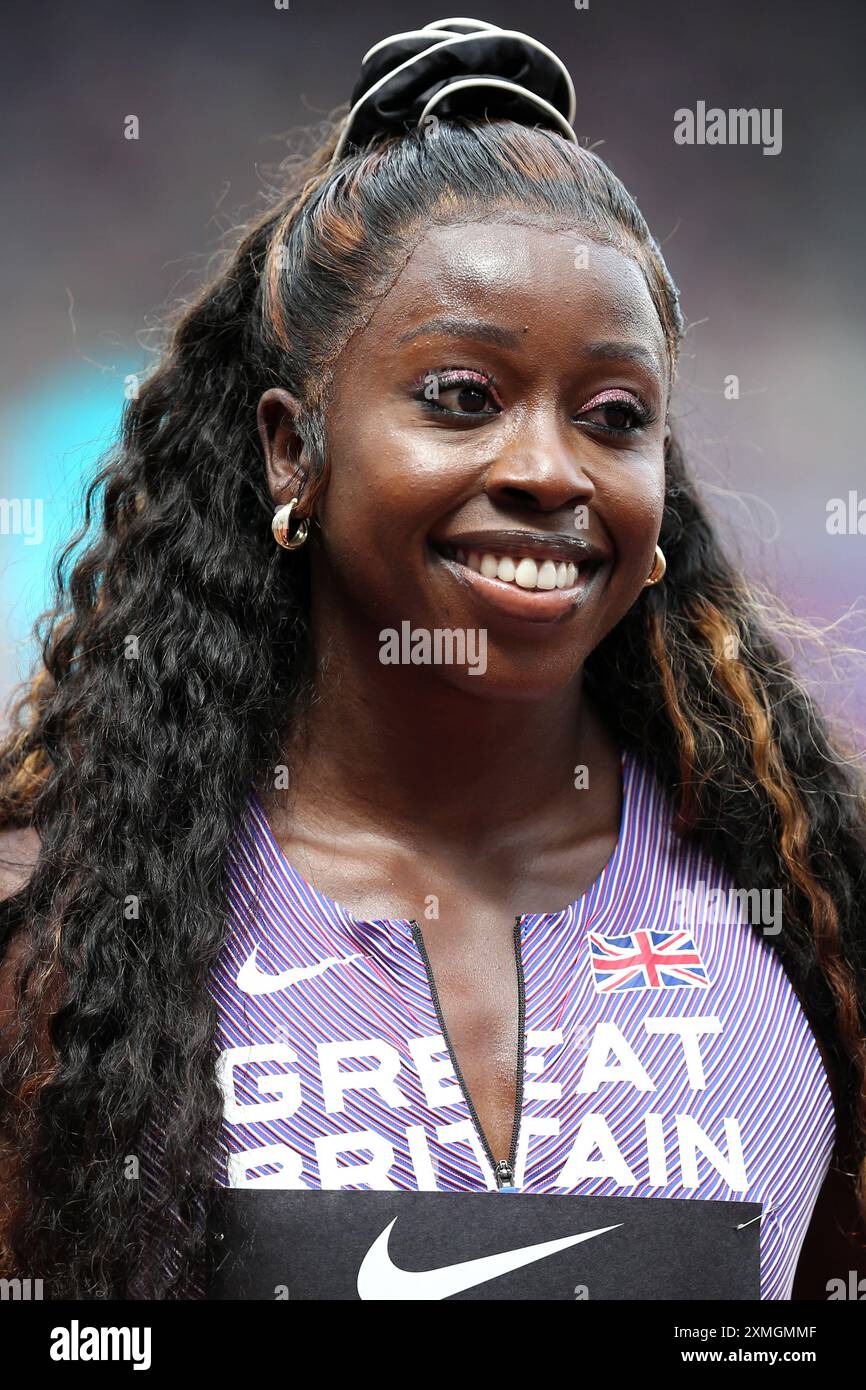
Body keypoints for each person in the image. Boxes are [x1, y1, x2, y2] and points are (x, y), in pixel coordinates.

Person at [0, 16, 864, 1301]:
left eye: (613, 418)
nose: (547, 469)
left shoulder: (808, 922)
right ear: (292, 449)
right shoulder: (57, 929)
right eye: (460, 396)